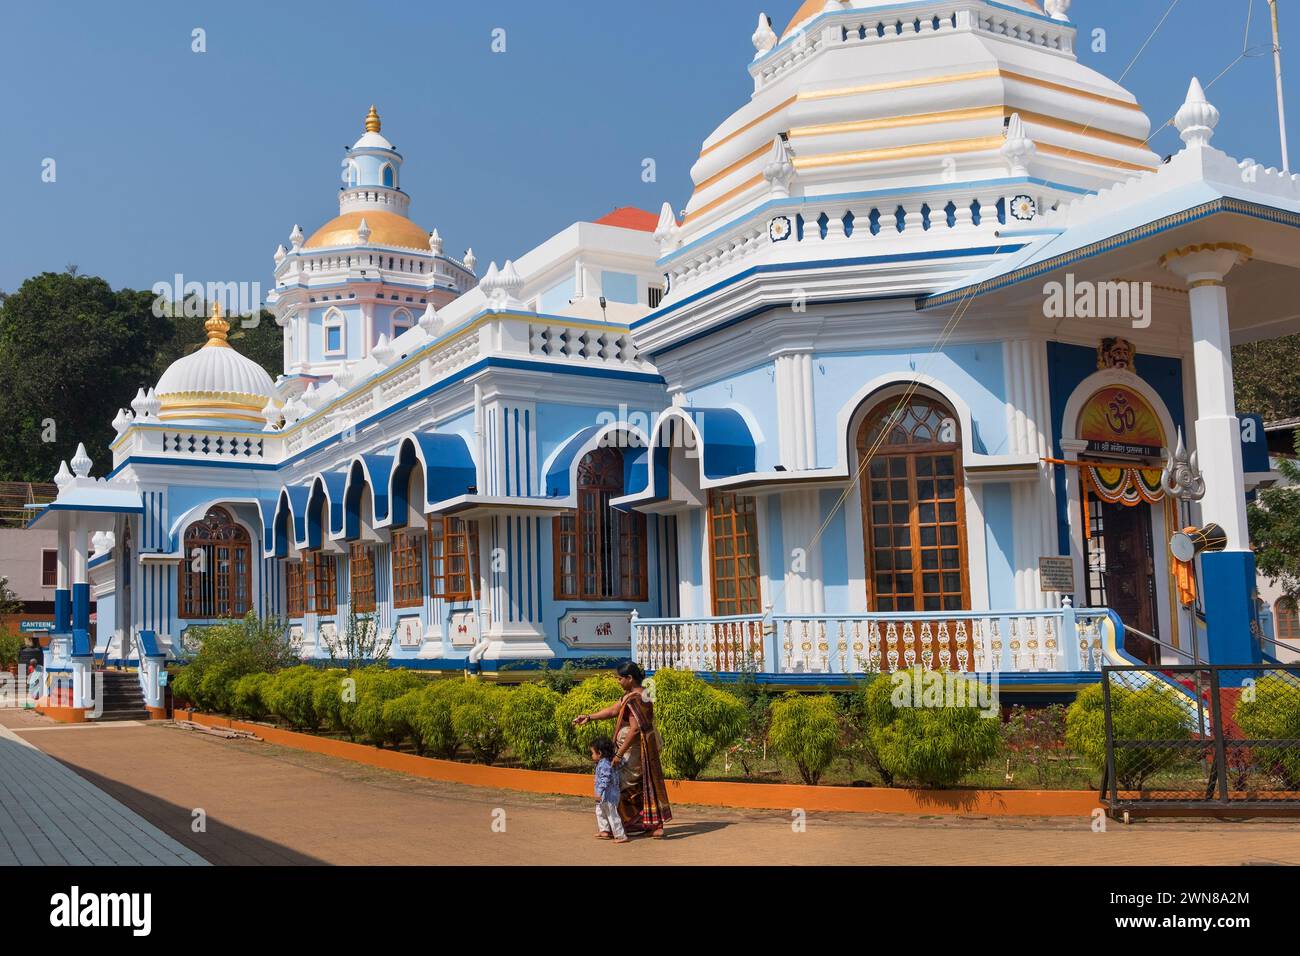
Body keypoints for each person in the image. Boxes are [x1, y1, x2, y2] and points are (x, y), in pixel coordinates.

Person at [572, 661, 672, 838]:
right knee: (639, 783)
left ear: (630, 678)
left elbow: (634, 730)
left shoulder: (639, 697)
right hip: (638, 747)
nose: (618, 681)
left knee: (626, 782)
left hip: (638, 748)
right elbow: (612, 711)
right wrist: (589, 717)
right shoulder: (632, 695)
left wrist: (618, 754)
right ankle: (641, 823)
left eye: (619, 678)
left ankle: (650, 824)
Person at [590, 737, 627, 843]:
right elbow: (623, 763)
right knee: (600, 811)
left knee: (612, 814)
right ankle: (604, 830)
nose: (592, 756)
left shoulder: (605, 764)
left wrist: (599, 792)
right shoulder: (607, 762)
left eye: (592, 753)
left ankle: (620, 835)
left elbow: (605, 779)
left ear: (600, 753)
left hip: (609, 795)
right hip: (604, 795)